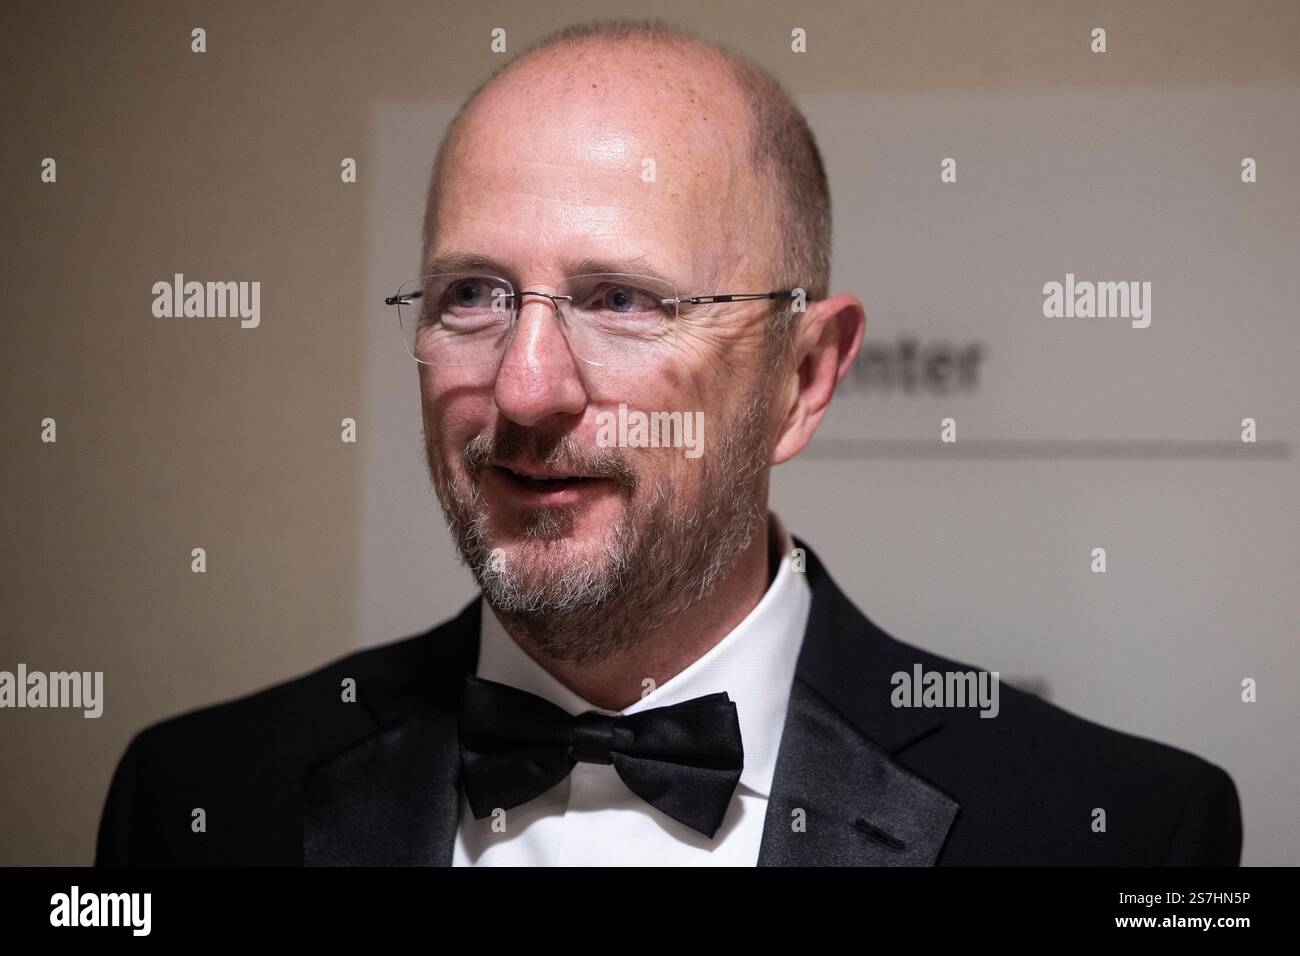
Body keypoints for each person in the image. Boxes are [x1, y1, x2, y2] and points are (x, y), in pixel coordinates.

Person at [96, 18, 1242, 866]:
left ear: (802, 377)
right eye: (474, 294)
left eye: (625, 300)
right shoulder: (198, 798)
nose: (526, 386)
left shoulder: (1115, 832)